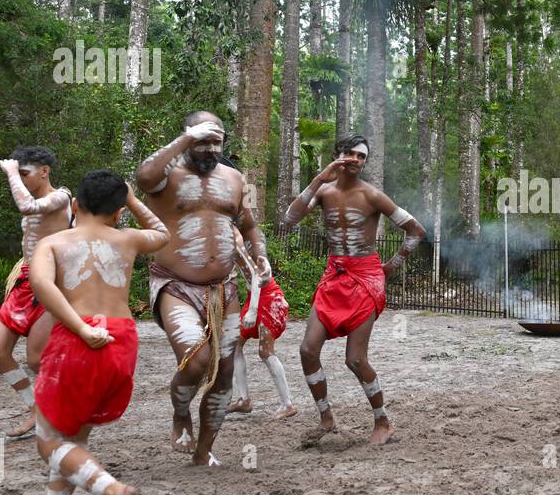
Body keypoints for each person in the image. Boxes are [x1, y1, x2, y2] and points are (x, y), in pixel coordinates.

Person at [25, 172, 168, 495]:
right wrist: (134, 202)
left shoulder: (54, 243)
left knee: (48, 443)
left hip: (80, 338)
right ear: (119, 212)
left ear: (75, 205)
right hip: (121, 338)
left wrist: (81, 328)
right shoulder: (129, 238)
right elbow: (163, 234)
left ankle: (111, 490)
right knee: (73, 437)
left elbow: (43, 285)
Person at [135, 111, 270, 466]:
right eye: (202, 140)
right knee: (197, 363)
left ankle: (204, 450)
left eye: (217, 141)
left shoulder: (235, 178)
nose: (210, 149)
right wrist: (185, 139)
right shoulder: (166, 176)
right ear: (187, 136)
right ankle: (181, 412)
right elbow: (143, 175)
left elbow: (251, 226)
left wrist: (261, 257)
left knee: (225, 372)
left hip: (224, 288)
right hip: (176, 284)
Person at [283, 135, 425, 446]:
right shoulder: (323, 190)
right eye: (349, 153)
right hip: (333, 277)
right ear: (336, 155)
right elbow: (289, 219)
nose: (355, 160)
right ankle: (326, 418)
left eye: (361, 156)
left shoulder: (372, 195)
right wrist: (321, 176)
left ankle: (383, 421)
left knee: (355, 360)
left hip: (366, 279)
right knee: (307, 350)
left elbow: (416, 230)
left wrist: (393, 264)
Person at [0, 148, 73, 438]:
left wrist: (10, 172)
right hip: (25, 281)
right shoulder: (34, 198)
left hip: (52, 283)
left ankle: (63, 410)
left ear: (44, 170)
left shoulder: (60, 196)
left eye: (25, 173)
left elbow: (26, 207)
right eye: (18, 173)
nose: (20, 179)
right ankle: (35, 409)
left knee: (36, 360)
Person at [227, 225, 297, 419]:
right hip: (255, 296)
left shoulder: (235, 245)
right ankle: (244, 399)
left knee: (265, 351)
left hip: (268, 297)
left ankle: (287, 404)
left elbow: (257, 275)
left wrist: (253, 310)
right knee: (235, 346)